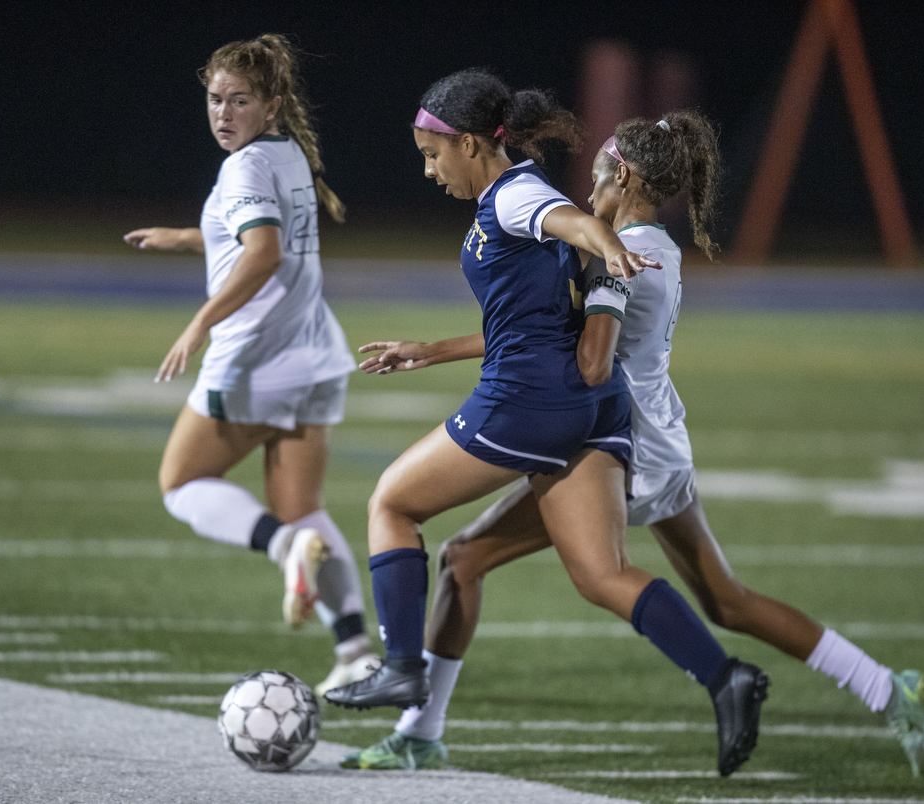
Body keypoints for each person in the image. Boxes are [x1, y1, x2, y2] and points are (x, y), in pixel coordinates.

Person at [343, 111, 924, 778]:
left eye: (597, 168)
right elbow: (553, 341)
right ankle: (890, 688)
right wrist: (434, 350)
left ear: (621, 174)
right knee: (726, 600)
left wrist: (590, 284)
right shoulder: (645, 241)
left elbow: (590, 361)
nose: (585, 182)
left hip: (614, 444)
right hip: (662, 438)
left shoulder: (623, 256)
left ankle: (422, 730)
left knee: (473, 559)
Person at [322, 71, 769, 777]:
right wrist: (432, 349)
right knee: (573, 571)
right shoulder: (517, 190)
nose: (428, 168)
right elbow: (532, 320)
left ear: (471, 143)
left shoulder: (519, 193)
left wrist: (607, 243)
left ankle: (403, 669)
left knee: (391, 503)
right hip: (587, 408)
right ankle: (726, 678)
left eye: (434, 154)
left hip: (528, 403)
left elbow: (574, 223)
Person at [122, 34, 378, 696]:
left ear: (272, 104)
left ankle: (281, 548)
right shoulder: (281, 152)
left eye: (239, 100)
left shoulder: (241, 168)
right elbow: (263, 236)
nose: (223, 112)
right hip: (314, 358)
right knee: (306, 510)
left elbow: (263, 253)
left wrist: (200, 322)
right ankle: (356, 649)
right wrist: (187, 237)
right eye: (214, 98)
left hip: (255, 361)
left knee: (181, 484)